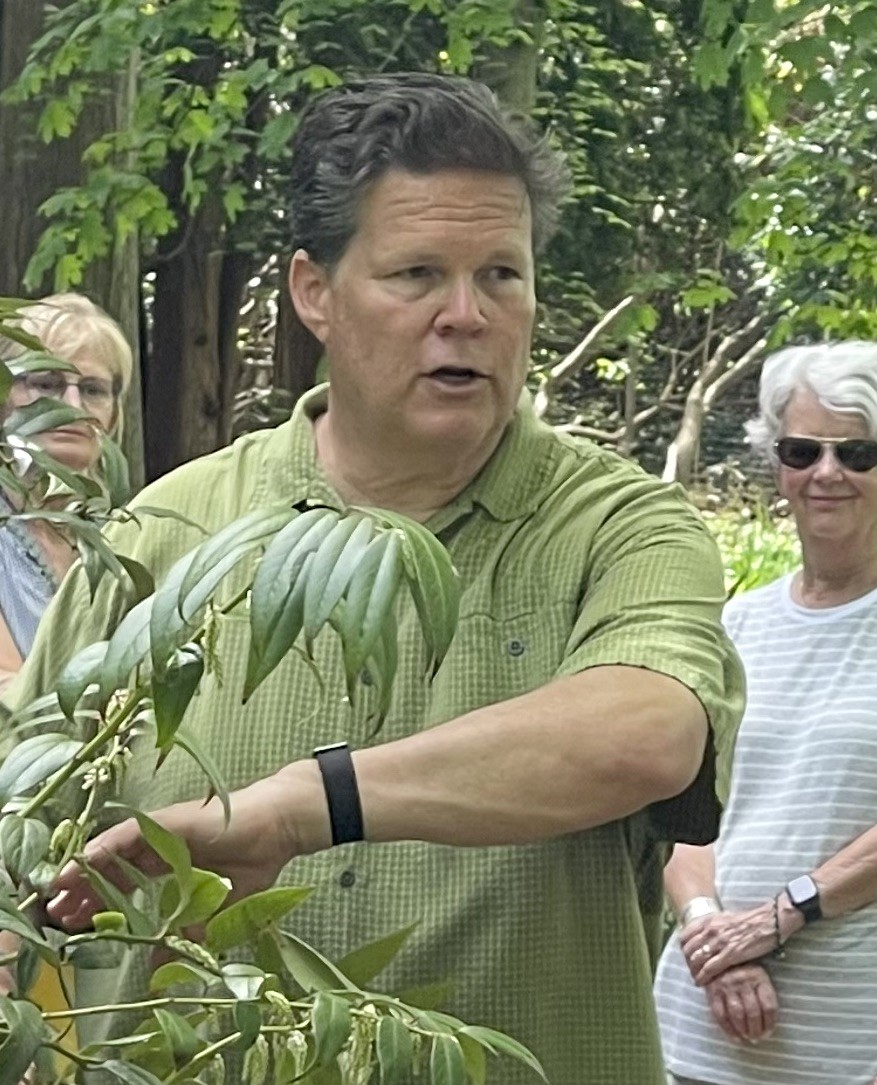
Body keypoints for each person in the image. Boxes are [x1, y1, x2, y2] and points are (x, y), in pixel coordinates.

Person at [6, 74, 743, 1085]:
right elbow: (25, 842)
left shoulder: (617, 528)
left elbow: (649, 730)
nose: (466, 314)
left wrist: (305, 804)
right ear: (315, 291)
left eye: (501, 275)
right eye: (415, 274)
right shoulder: (162, 539)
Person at [654, 341, 877, 1085]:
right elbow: (683, 806)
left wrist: (777, 919)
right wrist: (708, 935)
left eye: (856, 452)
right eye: (801, 449)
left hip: (848, 1037)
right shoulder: (735, 625)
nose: (826, 473)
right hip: (700, 1023)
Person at [0, 293, 133, 692]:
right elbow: (8, 694)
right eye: (46, 382)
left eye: (92, 389)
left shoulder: (121, 537)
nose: (73, 405)